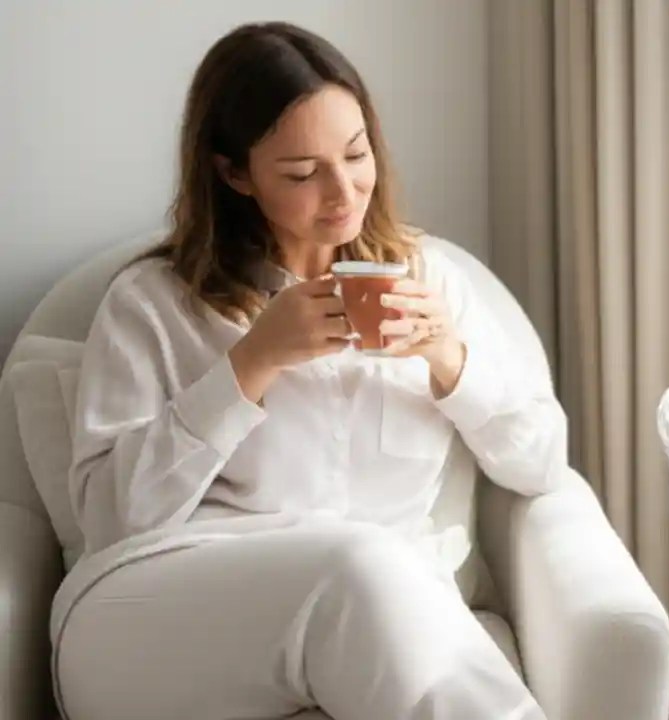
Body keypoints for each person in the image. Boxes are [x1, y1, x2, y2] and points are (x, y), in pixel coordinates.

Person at [53, 22, 561, 720]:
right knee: (359, 562)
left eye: (356, 155)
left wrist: (450, 362)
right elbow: (113, 521)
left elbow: (542, 465)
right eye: (301, 173)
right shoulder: (152, 305)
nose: (343, 191)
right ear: (234, 173)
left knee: (369, 568)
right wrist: (249, 365)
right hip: (159, 611)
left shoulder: (431, 282)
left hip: (376, 617)